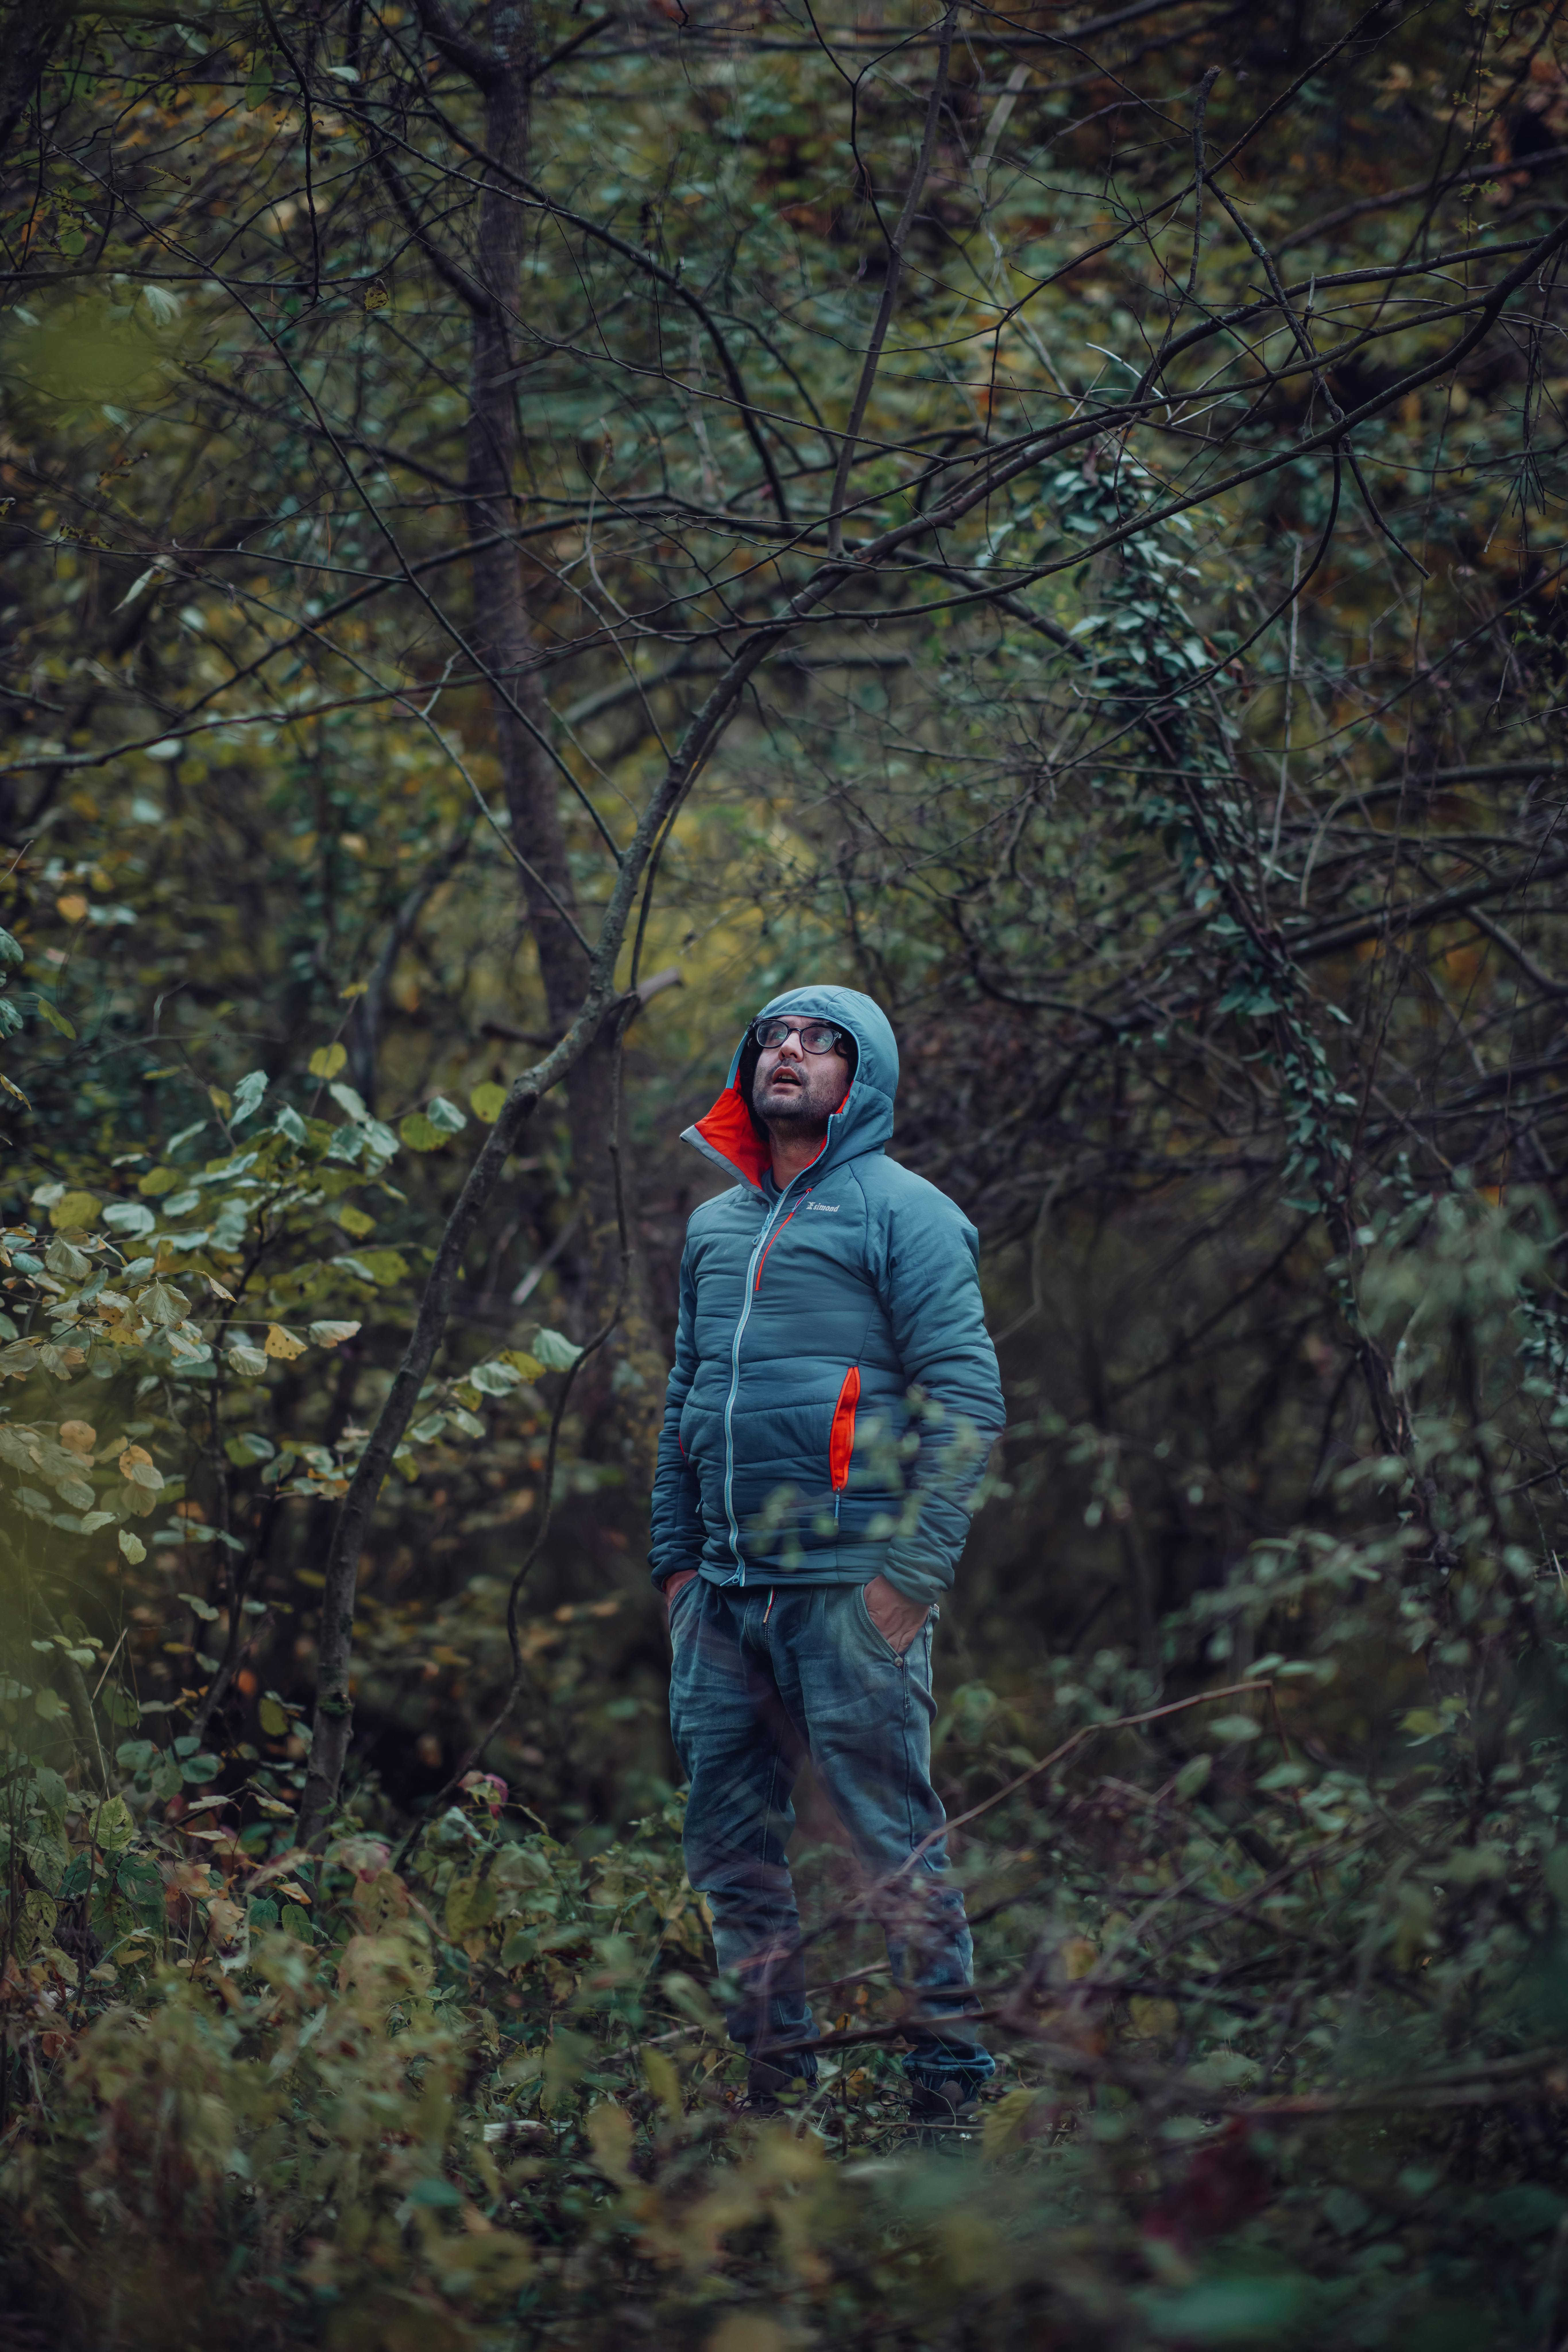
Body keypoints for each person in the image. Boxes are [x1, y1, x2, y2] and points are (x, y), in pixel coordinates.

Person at [650, 984, 1007, 2131]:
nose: (788, 1052)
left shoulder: (909, 1214)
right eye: (772, 1037)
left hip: (849, 1596)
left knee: (893, 1848)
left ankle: (947, 2100)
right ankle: (775, 2101)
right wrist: (676, 1571)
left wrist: (906, 1583)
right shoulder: (714, 1226)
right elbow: (683, 1403)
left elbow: (967, 1402)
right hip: (721, 1598)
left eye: (819, 1042)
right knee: (732, 1855)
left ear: (866, 1081)